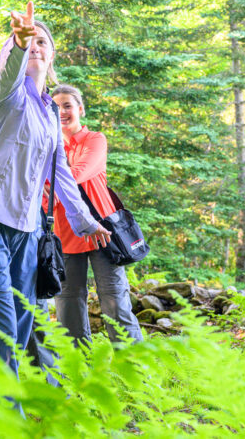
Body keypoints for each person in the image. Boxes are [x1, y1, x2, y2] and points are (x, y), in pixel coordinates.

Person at [0, 2, 111, 376]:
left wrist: (84, 220)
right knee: (0, 328)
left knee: (19, 333)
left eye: (42, 41)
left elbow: (60, 172)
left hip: (27, 234)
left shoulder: (51, 112)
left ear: (52, 54)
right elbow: (8, 71)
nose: (35, 45)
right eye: (27, 40)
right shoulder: (4, 94)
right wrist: (18, 44)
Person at [49, 84, 143, 345]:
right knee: (67, 311)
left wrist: (52, 182)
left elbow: (78, 174)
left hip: (102, 233)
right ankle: (79, 376)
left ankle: (135, 374)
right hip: (64, 236)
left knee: (116, 306)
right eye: (56, 108)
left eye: (67, 105)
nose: (62, 112)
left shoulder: (95, 140)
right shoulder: (48, 147)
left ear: (80, 109)